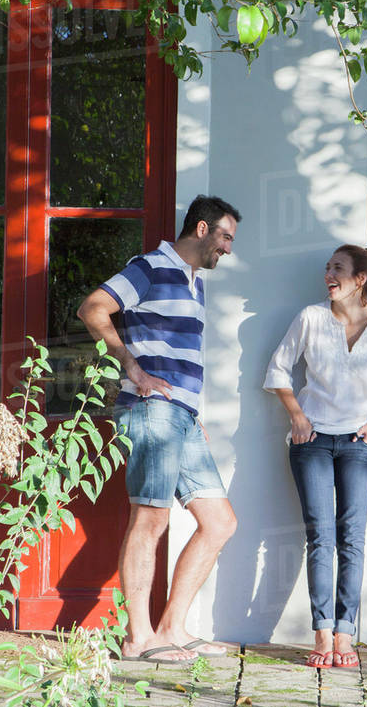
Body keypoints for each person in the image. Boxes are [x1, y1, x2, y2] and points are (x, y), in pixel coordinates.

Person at [77, 194, 242, 664]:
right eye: (226, 237)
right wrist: (133, 369)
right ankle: (139, 639)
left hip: (181, 417)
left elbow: (178, 354)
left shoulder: (196, 284)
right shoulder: (150, 266)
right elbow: (93, 308)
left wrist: (192, 413)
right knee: (151, 518)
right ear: (203, 229)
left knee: (220, 523)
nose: (228, 249)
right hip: (150, 411)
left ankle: (173, 628)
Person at [263, 244, 367, 669]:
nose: (329, 275)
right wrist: (297, 416)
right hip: (311, 441)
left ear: (360, 279)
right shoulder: (310, 318)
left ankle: (346, 635)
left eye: (338, 269)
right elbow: (278, 370)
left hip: (359, 444)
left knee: (352, 538)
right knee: (321, 537)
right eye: (328, 268)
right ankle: (322, 633)